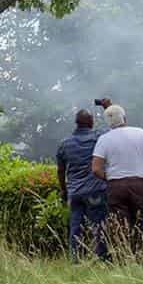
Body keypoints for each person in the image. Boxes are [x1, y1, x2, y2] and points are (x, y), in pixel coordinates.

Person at [91, 103, 143, 248]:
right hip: (139, 184)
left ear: (108, 122)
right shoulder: (140, 133)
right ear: (124, 118)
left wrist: (110, 178)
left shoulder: (104, 139)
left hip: (116, 187)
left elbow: (96, 169)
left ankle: (124, 260)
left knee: (120, 228)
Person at [55, 109, 109, 260]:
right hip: (95, 190)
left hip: (74, 192)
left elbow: (60, 171)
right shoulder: (98, 137)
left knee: (75, 227)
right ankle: (102, 258)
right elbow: (116, 127)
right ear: (91, 122)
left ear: (76, 123)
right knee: (99, 226)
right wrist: (108, 107)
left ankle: (75, 259)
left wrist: (64, 191)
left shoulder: (64, 144)